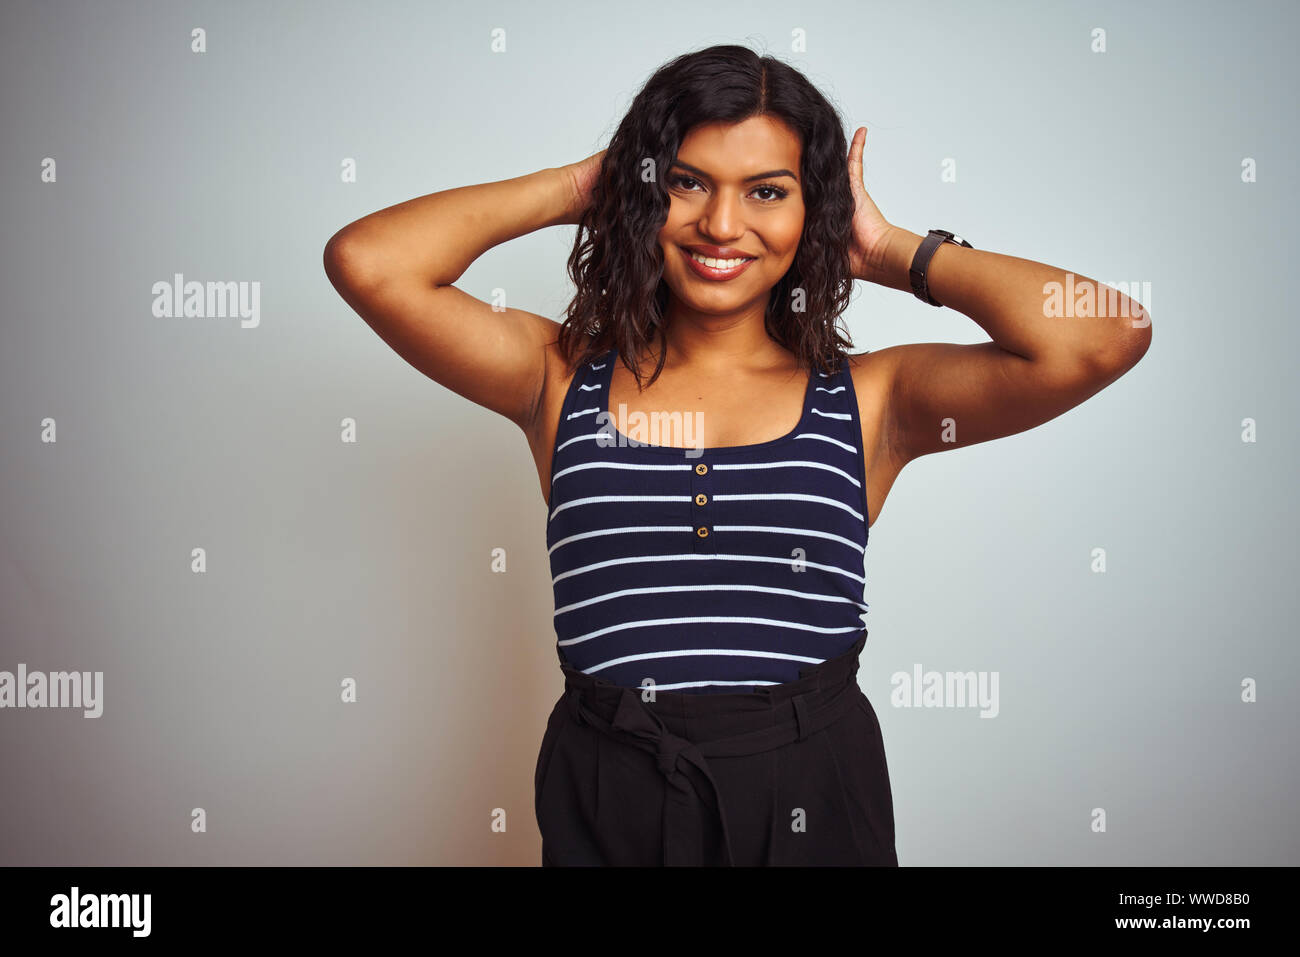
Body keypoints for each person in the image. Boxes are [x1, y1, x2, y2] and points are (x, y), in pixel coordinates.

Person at [322, 44, 1152, 866]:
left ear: (810, 211)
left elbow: (1103, 336)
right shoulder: (557, 376)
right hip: (609, 784)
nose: (722, 225)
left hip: (813, 782)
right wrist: (584, 187)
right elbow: (369, 261)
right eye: (687, 182)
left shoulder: (872, 400)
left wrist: (893, 249)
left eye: (767, 192)